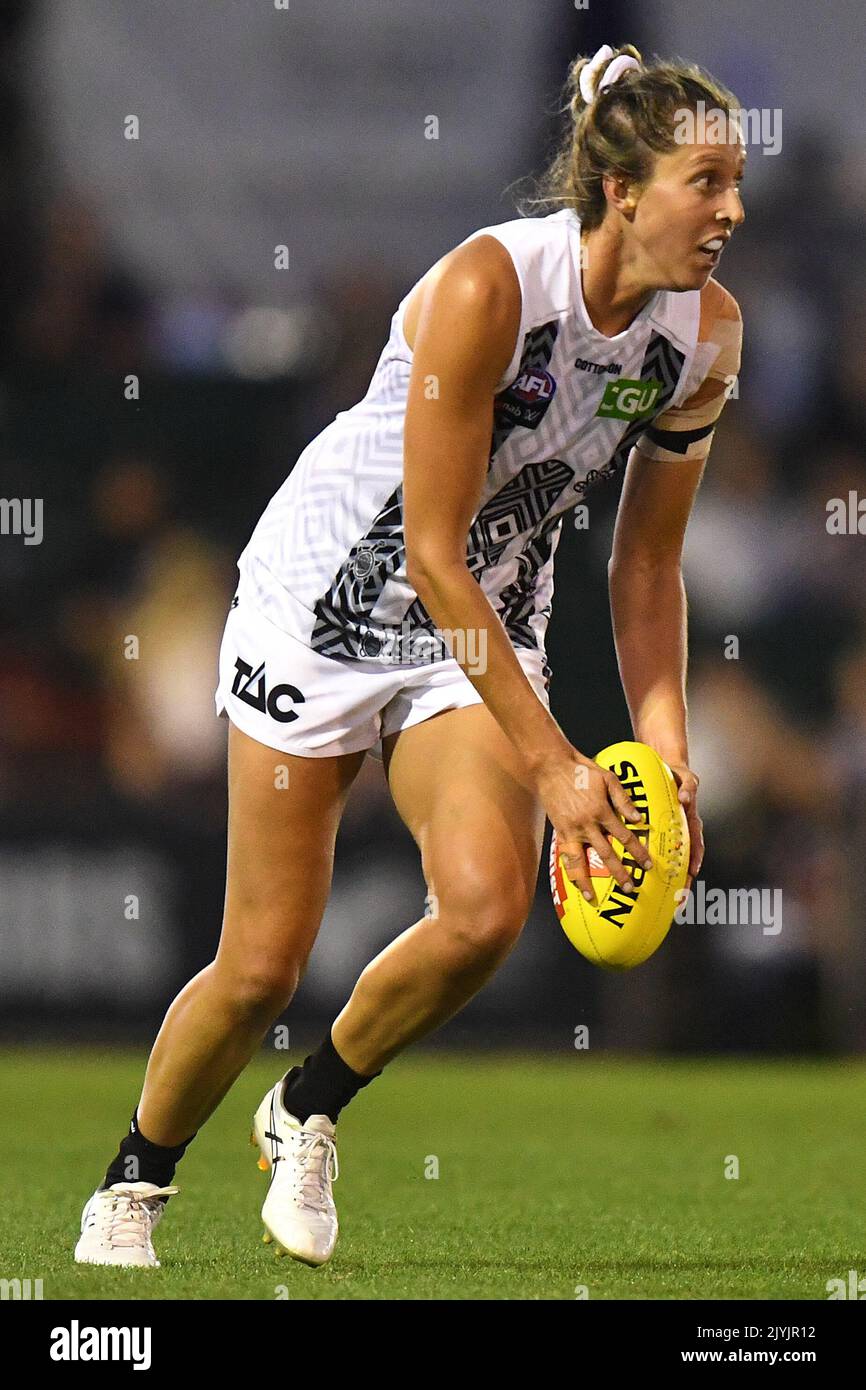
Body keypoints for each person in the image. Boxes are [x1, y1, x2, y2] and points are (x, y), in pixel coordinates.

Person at [74, 42, 745, 1270]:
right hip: (324, 612)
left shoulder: (699, 338)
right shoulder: (490, 288)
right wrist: (553, 765)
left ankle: (309, 1104)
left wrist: (664, 747)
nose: (731, 212)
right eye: (706, 181)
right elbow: (429, 553)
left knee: (487, 910)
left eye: (734, 182)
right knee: (259, 966)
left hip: (473, 628)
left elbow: (644, 567)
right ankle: (134, 1180)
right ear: (621, 190)